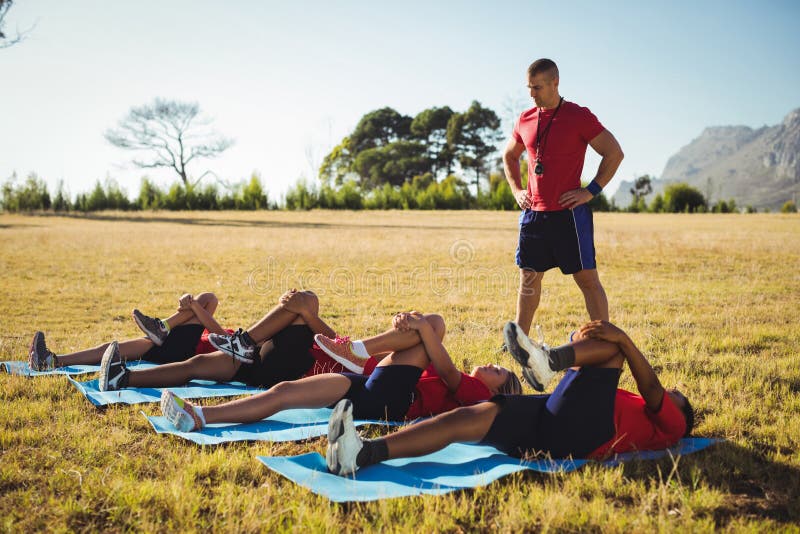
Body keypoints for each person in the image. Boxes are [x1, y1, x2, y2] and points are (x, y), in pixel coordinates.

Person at [325, 320, 694, 476]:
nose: (669, 392)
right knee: (462, 420)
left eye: (676, 395)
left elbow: (651, 389)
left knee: (614, 350)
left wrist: (624, 340)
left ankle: (549, 361)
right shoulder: (627, 401)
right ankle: (362, 454)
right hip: (549, 416)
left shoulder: (673, 427)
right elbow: (588, 389)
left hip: (584, 436)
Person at [158, 311, 522, 432]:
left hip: (395, 400)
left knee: (435, 324)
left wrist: (423, 327)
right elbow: (435, 360)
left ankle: (357, 349)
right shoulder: (469, 386)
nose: (494, 365)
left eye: (501, 373)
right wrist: (411, 325)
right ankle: (200, 416)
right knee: (284, 392)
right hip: (372, 389)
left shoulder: (481, 396)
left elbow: (449, 371)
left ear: (498, 391)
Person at [503, 58, 624, 337]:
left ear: (555, 83)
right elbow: (509, 155)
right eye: (529, 87)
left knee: (587, 280)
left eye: (537, 87)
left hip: (569, 216)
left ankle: (606, 340)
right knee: (528, 280)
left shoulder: (578, 116)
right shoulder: (525, 119)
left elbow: (614, 152)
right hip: (534, 215)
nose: (532, 94)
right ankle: (519, 340)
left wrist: (590, 190)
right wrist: (517, 191)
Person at [98, 289, 360, 391]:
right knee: (196, 365)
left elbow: (333, 341)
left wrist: (305, 309)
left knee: (307, 299)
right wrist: (299, 307)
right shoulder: (361, 353)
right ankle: (122, 378)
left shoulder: (362, 365)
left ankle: (243, 343)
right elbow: (336, 341)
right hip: (256, 357)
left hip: (290, 368)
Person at [27, 292, 226, 371]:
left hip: (185, 351)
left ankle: (162, 327)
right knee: (111, 349)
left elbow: (224, 338)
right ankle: (50, 361)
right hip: (177, 343)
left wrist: (193, 304)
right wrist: (189, 302)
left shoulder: (237, 346)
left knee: (209, 298)